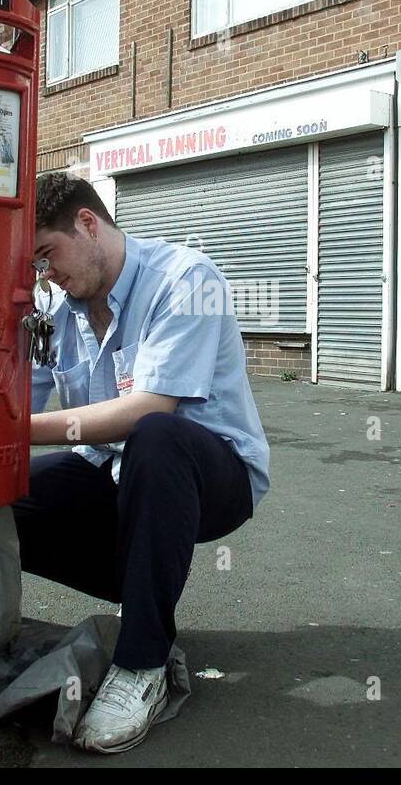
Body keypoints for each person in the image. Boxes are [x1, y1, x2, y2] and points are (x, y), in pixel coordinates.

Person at [19, 172, 269, 754]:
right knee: (2, 490)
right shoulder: (54, 310)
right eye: (34, 265)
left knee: (158, 434)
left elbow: (149, 409)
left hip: (211, 472)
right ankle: (141, 588)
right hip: (113, 473)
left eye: (46, 255)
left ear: (88, 224)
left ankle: (142, 664)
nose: (45, 274)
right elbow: (11, 406)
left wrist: (15, 429)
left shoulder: (184, 278)